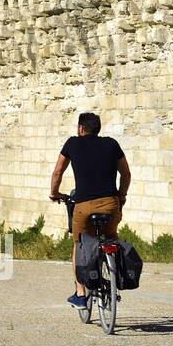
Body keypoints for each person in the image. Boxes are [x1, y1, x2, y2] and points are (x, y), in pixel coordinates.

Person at [49, 112, 131, 308]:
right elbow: (126, 174)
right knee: (111, 238)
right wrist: (121, 195)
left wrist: (55, 193)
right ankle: (114, 275)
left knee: (79, 244)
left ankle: (80, 293)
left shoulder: (72, 143)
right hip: (111, 205)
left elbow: (58, 171)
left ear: (80, 128)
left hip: (83, 207)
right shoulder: (112, 144)